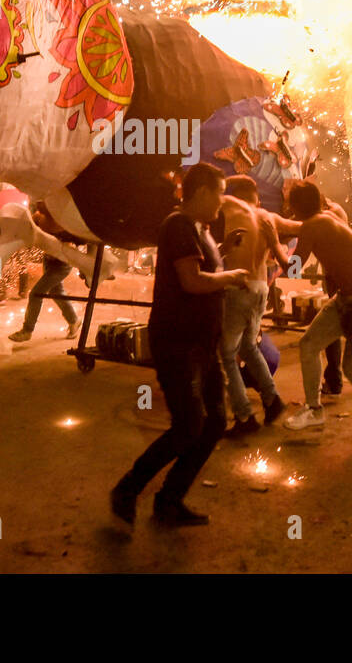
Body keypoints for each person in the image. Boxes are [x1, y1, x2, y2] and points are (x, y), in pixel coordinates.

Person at [110, 163, 250, 528]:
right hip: (179, 344)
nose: (222, 202)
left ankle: (170, 500)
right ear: (202, 192)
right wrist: (230, 277)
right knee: (189, 425)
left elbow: (196, 265)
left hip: (203, 343)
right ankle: (127, 489)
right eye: (219, 193)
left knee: (215, 422)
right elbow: (191, 281)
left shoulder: (197, 230)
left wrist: (222, 249)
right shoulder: (177, 225)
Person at [280, 181, 352, 438]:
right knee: (309, 344)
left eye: (289, 202)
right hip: (346, 301)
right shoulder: (327, 217)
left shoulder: (312, 225)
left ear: (296, 206)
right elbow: (294, 228)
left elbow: (293, 270)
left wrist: (274, 246)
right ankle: (313, 409)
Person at [214, 175, 287, 436]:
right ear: (257, 198)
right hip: (261, 288)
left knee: (227, 354)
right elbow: (298, 230)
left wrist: (231, 178)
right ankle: (272, 399)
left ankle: (244, 416)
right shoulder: (268, 217)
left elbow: (210, 189)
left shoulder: (232, 205)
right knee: (249, 346)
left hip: (238, 288)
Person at [9, 203, 81, 343]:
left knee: (36, 293)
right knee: (56, 292)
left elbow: (68, 246)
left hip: (62, 264)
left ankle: (27, 330)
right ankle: (74, 320)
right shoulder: (39, 217)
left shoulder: (64, 221)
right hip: (48, 260)